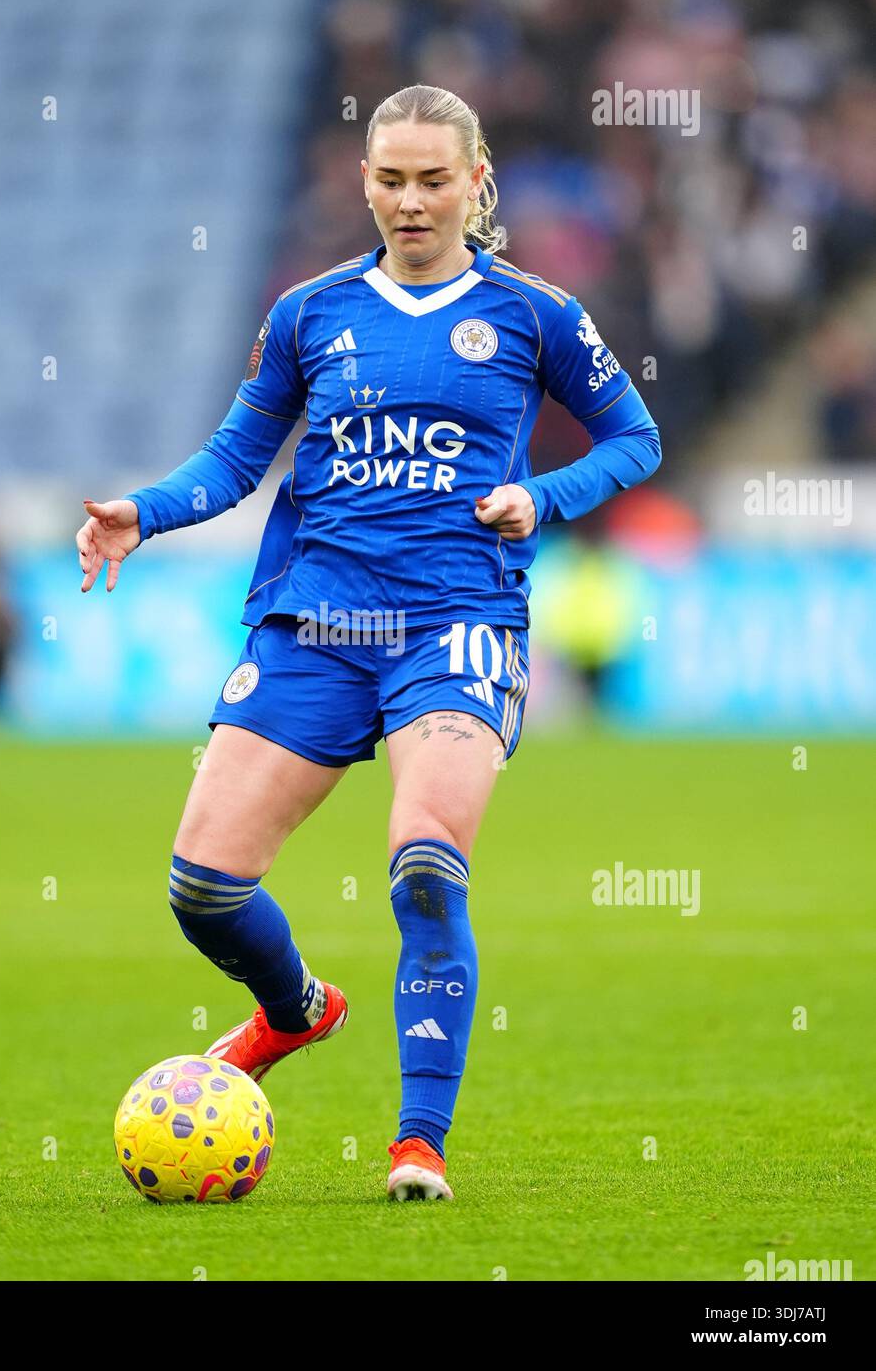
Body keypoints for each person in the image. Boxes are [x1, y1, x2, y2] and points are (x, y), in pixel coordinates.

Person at [76, 84, 661, 1201]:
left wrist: (544, 496)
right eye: (389, 180)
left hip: (457, 623)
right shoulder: (310, 313)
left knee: (427, 865)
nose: (409, 200)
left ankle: (417, 1144)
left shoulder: (533, 312)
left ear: (475, 184)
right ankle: (297, 1010)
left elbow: (634, 436)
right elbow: (237, 456)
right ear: (364, 184)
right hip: (318, 622)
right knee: (202, 885)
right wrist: (142, 511)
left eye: (433, 180)